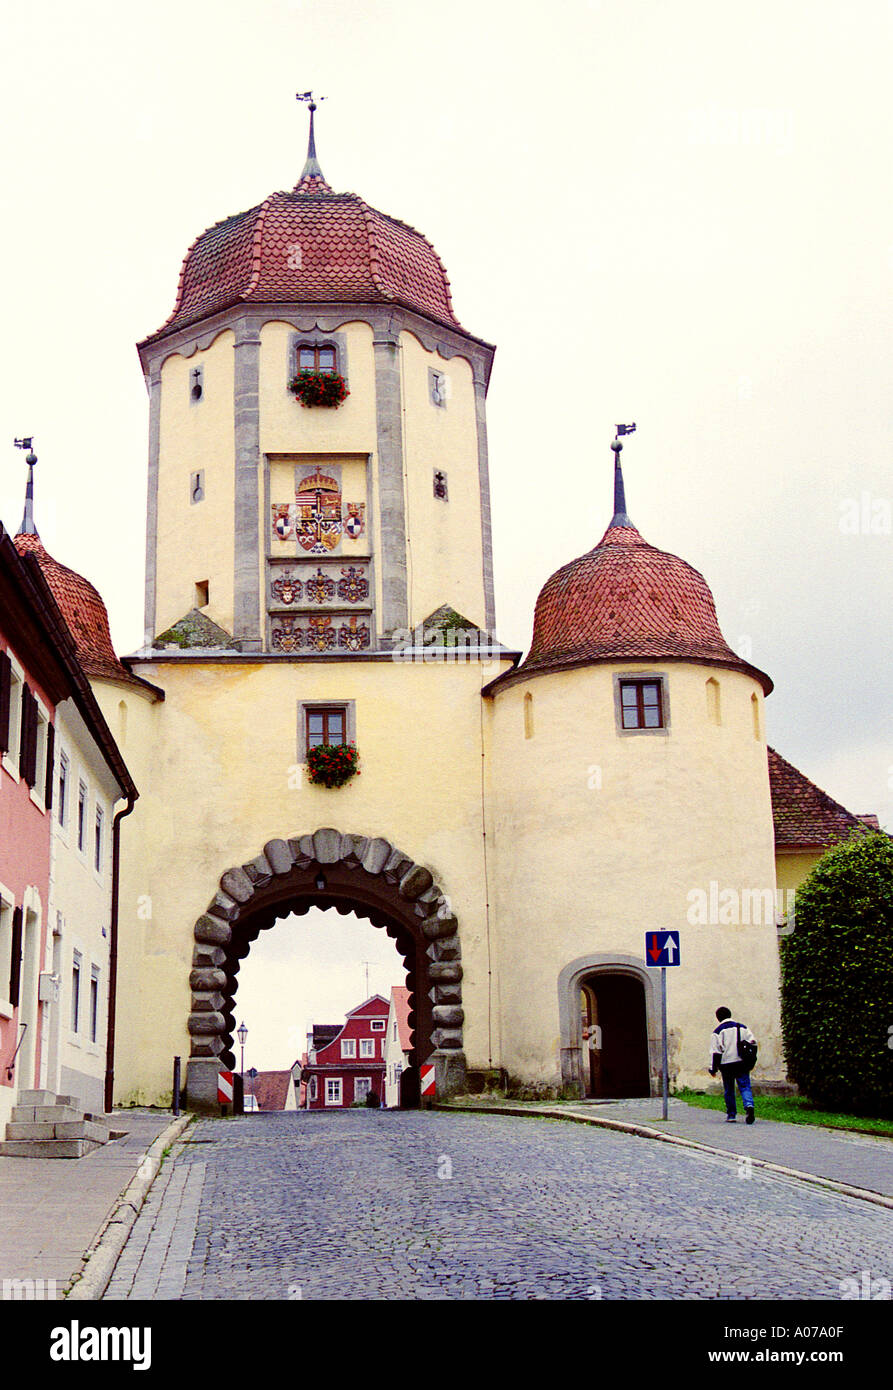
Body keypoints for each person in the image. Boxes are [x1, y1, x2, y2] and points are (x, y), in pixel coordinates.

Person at [709, 1006, 757, 1123]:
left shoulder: (717, 1031)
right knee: (745, 1086)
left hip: (726, 1064)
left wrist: (713, 1069)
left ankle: (731, 1115)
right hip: (742, 1062)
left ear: (718, 1018)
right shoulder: (742, 1027)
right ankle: (749, 1106)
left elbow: (716, 1052)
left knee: (729, 1089)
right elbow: (753, 1043)